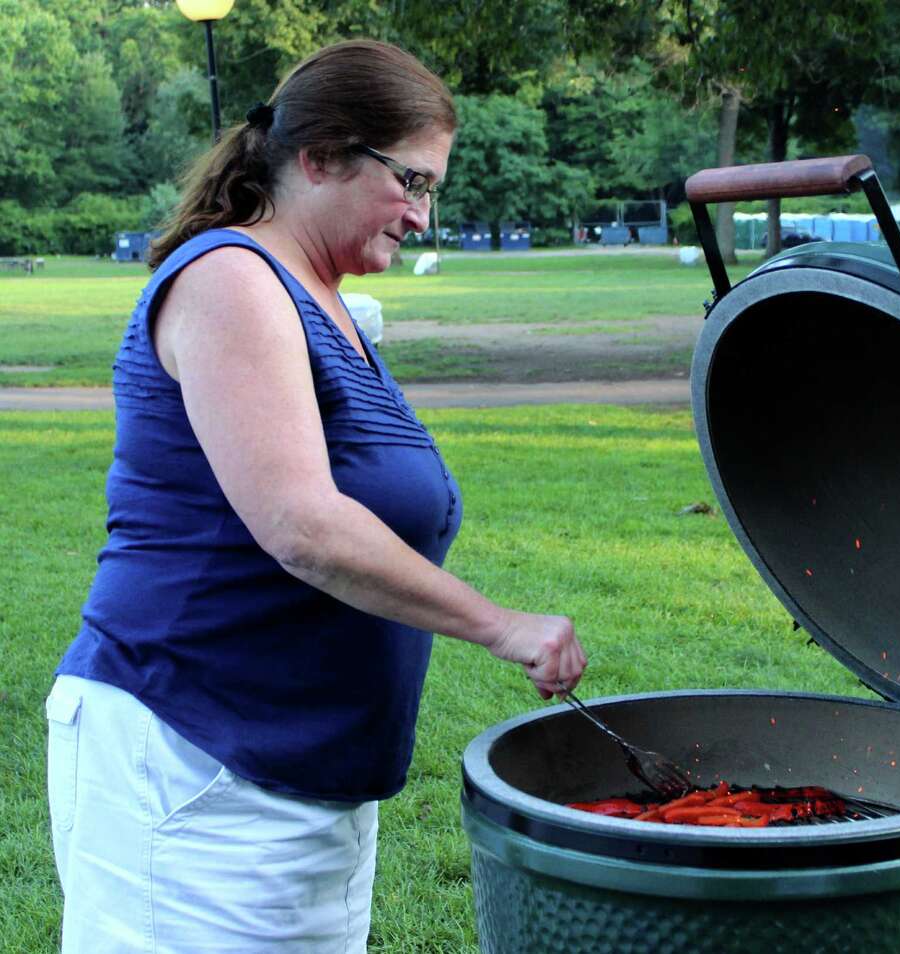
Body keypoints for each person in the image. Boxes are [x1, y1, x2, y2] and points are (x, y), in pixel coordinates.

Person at [44, 39, 586, 953]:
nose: (423, 216)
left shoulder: (323, 299)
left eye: (433, 189)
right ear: (322, 155)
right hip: (194, 761)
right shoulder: (229, 280)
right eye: (411, 181)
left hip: (304, 780)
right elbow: (301, 525)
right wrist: (502, 625)